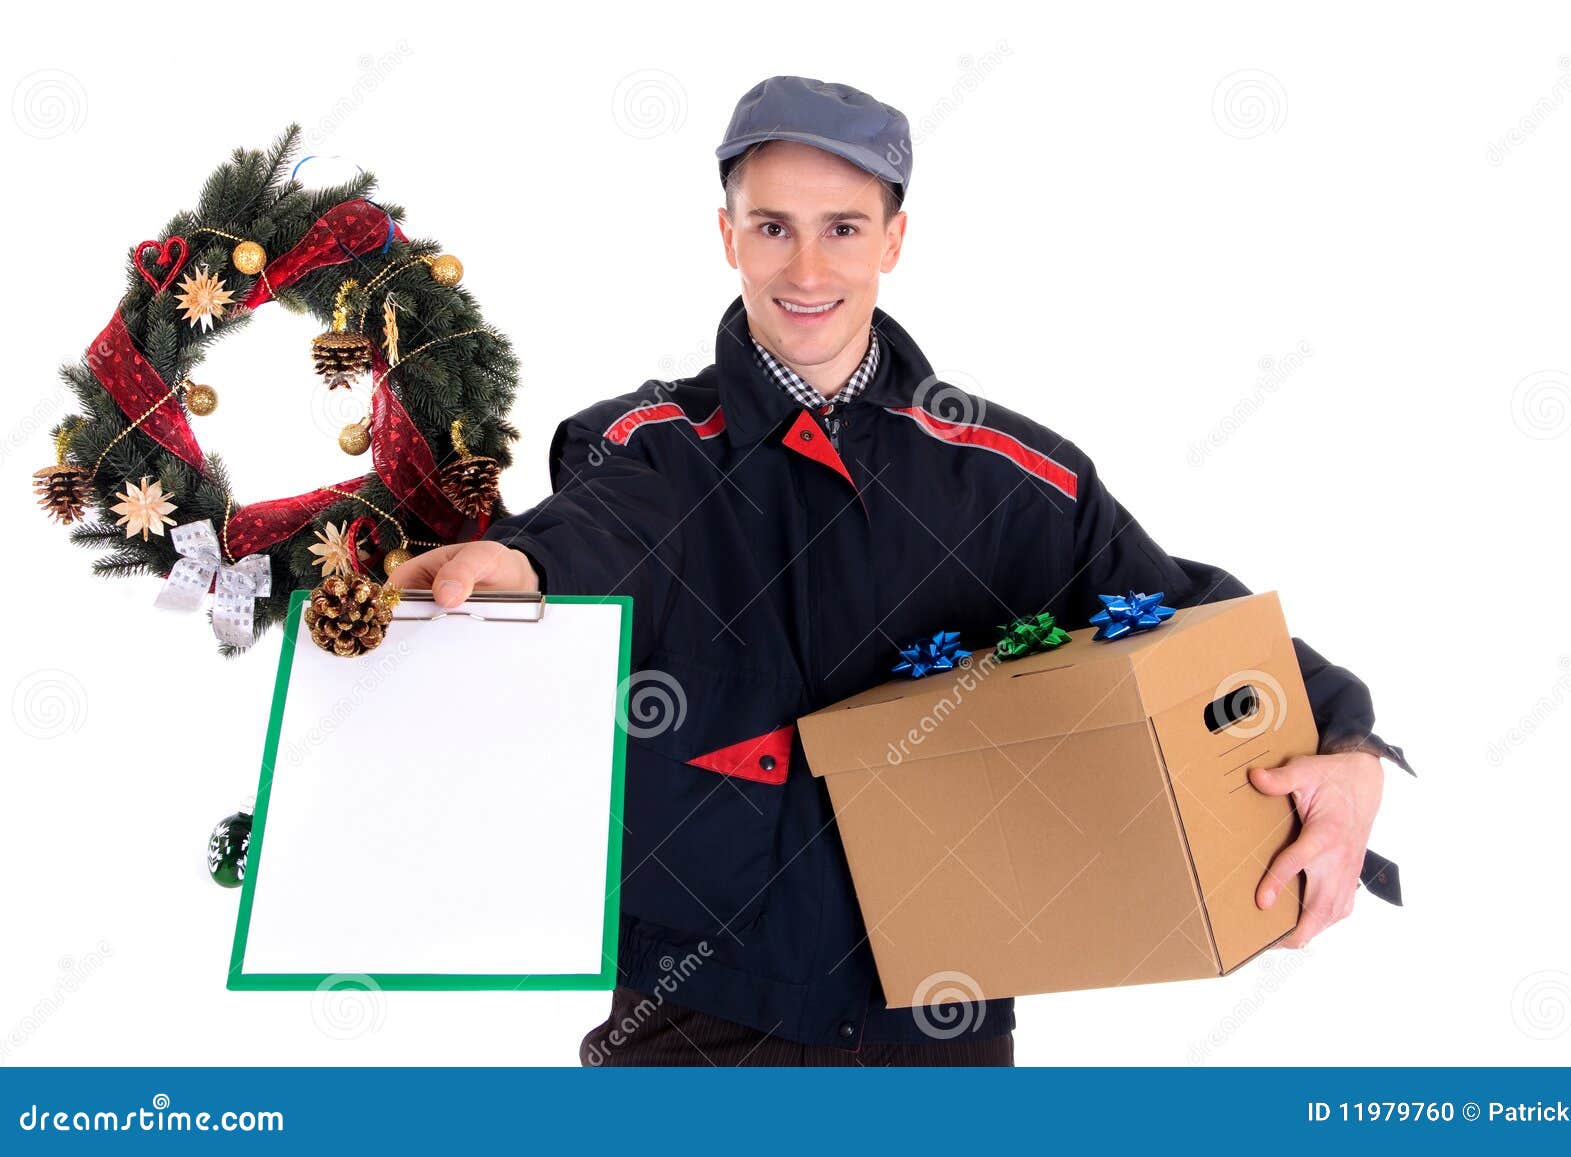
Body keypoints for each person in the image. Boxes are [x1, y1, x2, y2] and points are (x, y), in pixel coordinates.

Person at [391, 75, 1410, 1067]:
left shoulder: (1007, 476)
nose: (805, 267)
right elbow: (598, 535)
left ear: (892, 239)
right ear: (727, 234)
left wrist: (1348, 744)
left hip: (945, 1029)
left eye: (841, 227)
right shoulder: (654, 445)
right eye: (772, 225)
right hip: (698, 1021)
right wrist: (515, 565)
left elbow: (1179, 622)